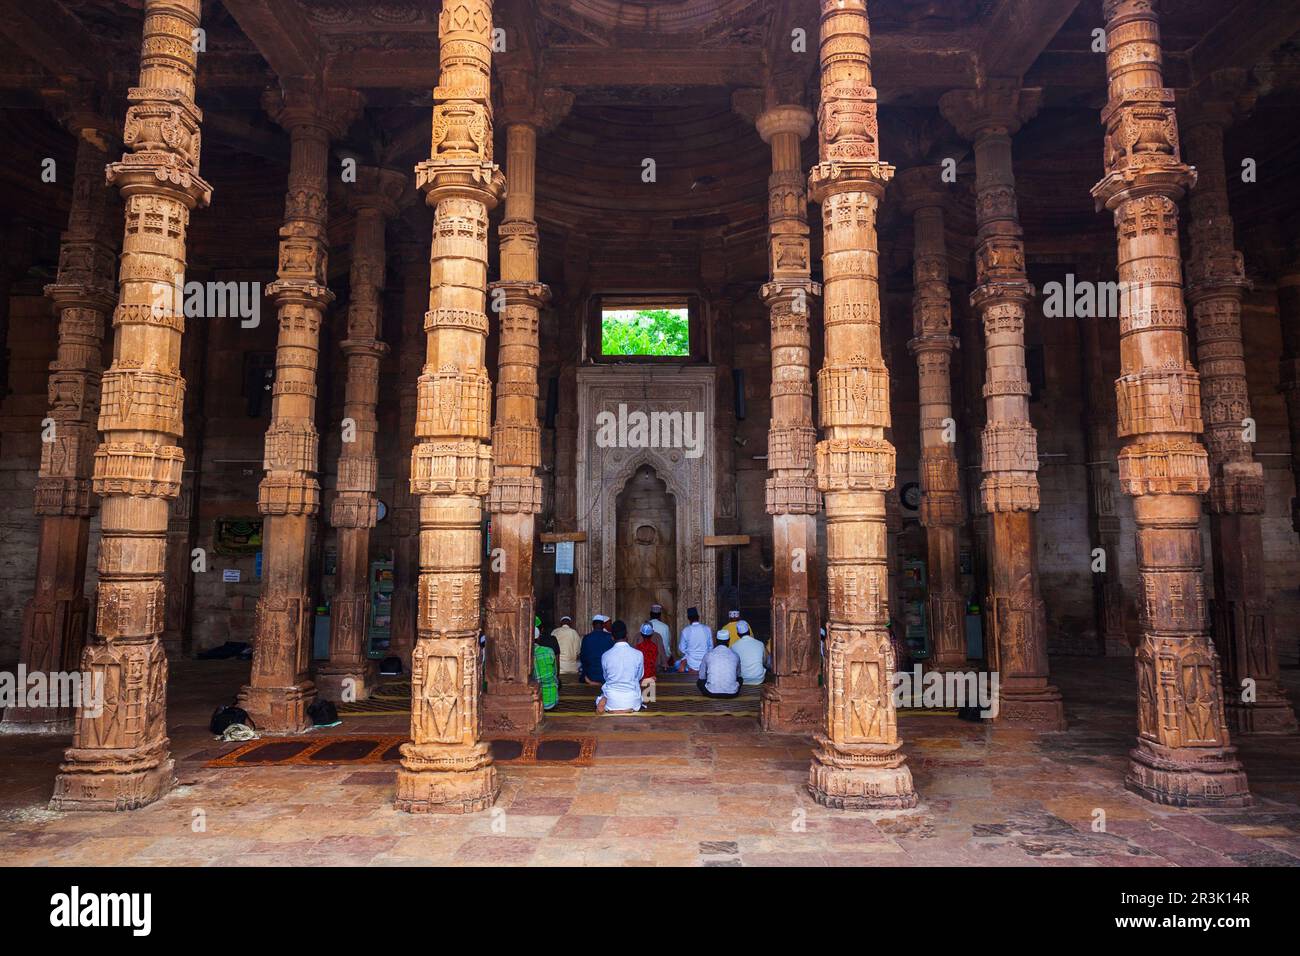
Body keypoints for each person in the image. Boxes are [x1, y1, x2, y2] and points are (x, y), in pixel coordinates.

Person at [596, 619, 644, 713]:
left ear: (612, 637)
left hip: (611, 700)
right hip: (632, 700)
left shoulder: (605, 655)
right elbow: (639, 676)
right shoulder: (638, 654)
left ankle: (609, 705)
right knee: (639, 694)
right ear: (626, 635)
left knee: (602, 695)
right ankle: (626, 708)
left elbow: (606, 677)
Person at [697, 630, 743, 699]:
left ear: (716, 641)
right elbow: (738, 675)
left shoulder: (708, 654)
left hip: (711, 693)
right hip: (732, 694)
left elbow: (701, 676)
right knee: (740, 679)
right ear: (728, 641)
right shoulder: (735, 655)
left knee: (699, 682)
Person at [730, 620, 769, 685]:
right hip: (759, 679)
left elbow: (733, 666)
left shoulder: (734, 646)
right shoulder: (760, 644)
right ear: (749, 631)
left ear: (738, 634)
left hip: (742, 679)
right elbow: (765, 661)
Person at [675, 606, 712, 673]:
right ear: (698, 617)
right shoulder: (707, 629)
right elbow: (711, 647)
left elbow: (681, 648)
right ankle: (700, 670)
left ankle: (690, 669)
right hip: (704, 661)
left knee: (676, 664)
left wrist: (690, 652)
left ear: (688, 618)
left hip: (690, 662)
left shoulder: (686, 630)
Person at [579, 614, 613, 686]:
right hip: (607, 676)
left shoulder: (586, 638)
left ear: (593, 625)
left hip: (591, 676)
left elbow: (583, 658)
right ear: (603, 625)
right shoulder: (610, 637)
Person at [533, 626, 560, 711]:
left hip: (535, 701)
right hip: (553, 700)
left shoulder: (526, 654)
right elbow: (555, 673)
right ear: (539, 637)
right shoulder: (549, 651)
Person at [634, 623, 659, 703]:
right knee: (650, 699)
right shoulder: (654, 646)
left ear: (641, 634)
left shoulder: (638, 647)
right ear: (652, 634)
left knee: (643, 698)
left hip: (641, 678)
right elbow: (654, 662)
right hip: (651, 677)